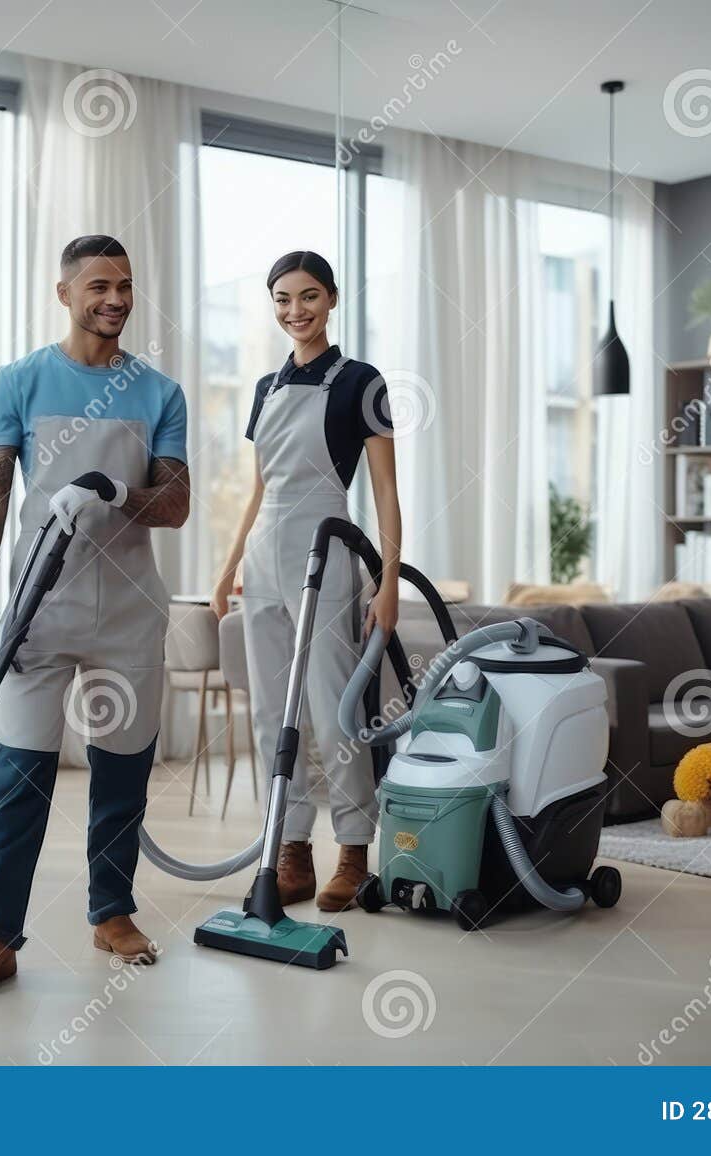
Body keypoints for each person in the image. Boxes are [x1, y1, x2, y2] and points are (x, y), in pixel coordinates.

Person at [0, 235, 190, 999]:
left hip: (127, 610)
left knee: (122, 770)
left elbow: (176, 503)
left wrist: (116, 493)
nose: (114, 298)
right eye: (98, 286)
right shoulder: (19, 380)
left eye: (124, 285)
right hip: (38, 611)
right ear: (64, 294)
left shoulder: (159, 392)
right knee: (17, 772)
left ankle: (112, 913)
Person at [210, 250, 401, 912]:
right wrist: (230, 564)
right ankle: (291, 853)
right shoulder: (265, 388)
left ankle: (353, 849)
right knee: (271, 713)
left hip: (329, 553)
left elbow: (384, 489)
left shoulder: (361, 381)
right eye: (284, 299)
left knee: (331, 705)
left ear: (333, 298)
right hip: (266, 558)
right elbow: (259, 487)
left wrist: (390, 580)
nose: (297, 311)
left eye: (309, 296)